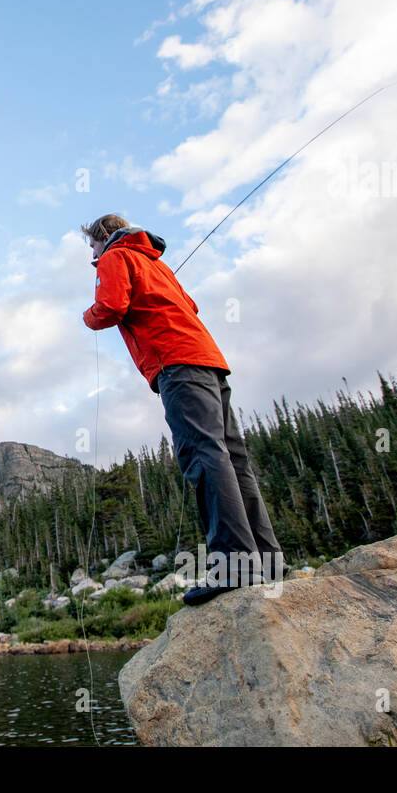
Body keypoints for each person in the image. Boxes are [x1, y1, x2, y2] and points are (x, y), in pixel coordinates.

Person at [80, 213, 283, 605]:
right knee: (232, 458)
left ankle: (236, 566)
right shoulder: (156, 263)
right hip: (207, 360)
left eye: (91, 247)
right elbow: (190, 305)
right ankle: (268, 561)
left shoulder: (115, 256)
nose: (92, 256)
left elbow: (109, 307)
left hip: (176, 365)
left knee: (204, 456)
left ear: (104, 236)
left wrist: (87, 317)